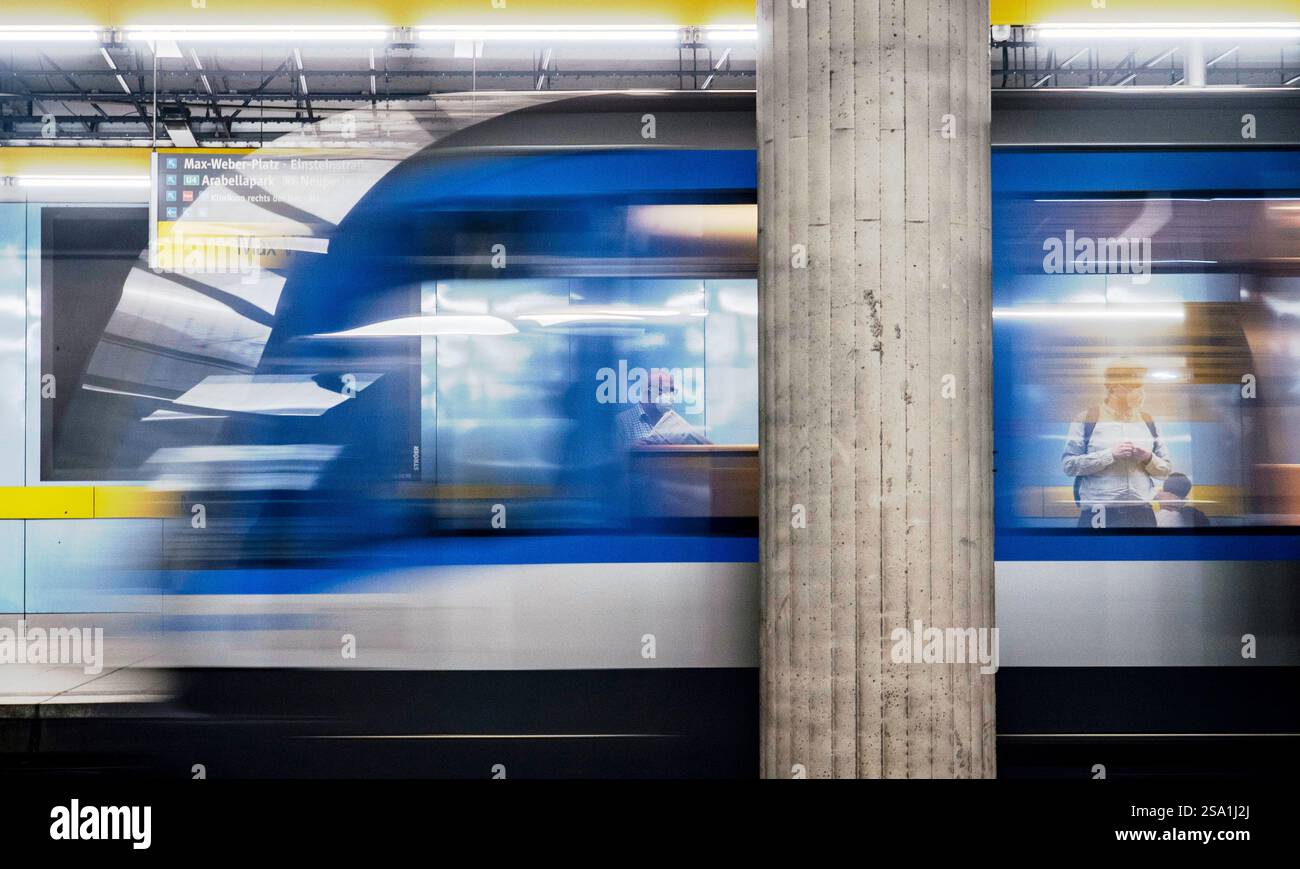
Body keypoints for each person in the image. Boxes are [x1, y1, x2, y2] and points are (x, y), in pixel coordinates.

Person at [1061, 360, 1172, 528]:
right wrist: (1109, 455)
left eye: (1142, 384)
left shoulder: (1149, 421)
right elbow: (1069, 466)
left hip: (1141, 514)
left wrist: (1148, 457)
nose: (1140, 390)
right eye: (1134, 384)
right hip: (1098, 514)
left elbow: (1166, 471)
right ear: (1113, 386)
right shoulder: (1087, 419)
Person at [614, 369, 710, 446]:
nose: (670, 395)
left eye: (672, 390)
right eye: (664, 390)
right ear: (648, 391)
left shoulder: (675, 422)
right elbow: (610, 460)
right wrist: (629, 451)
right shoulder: (622, 421)